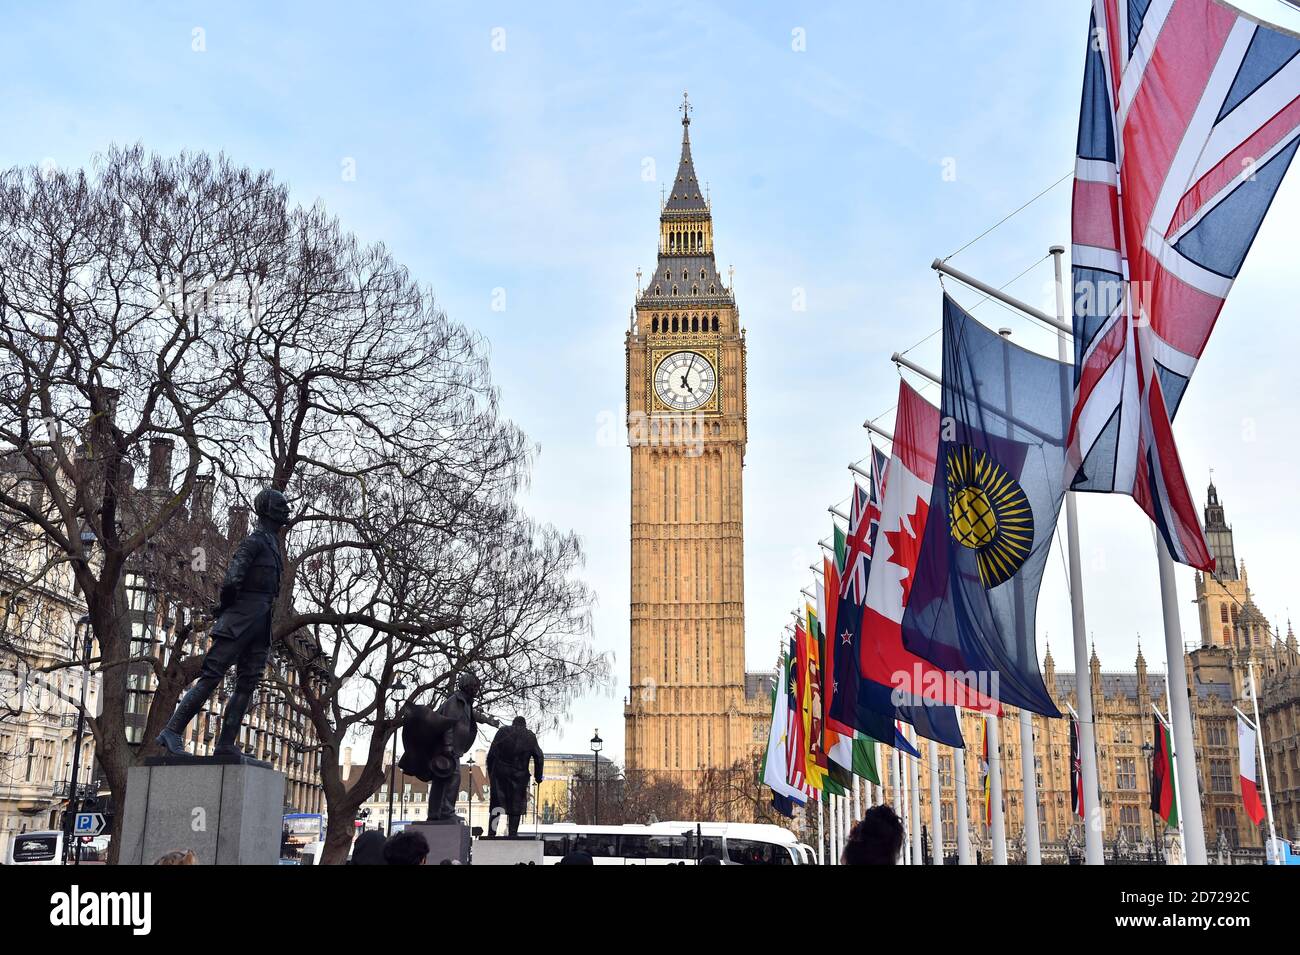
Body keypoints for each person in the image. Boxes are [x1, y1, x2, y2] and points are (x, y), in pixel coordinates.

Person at [156, 488, 290, 759]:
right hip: (239, 619)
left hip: (260, 622)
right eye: (281, 505)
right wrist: (228, 608)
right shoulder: (253, 542)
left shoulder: (273, 545)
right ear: (268, 510)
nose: (287, 510)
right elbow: (231, 581)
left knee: (247, 684)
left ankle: (226, 744)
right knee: (212, 676)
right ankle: (172, 730)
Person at [485, 716, 544, 837]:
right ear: (525, 725)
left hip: (500, 773)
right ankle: (512, 834)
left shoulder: (502, 732)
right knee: (515, 806)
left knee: (496, 806)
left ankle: (492, 833)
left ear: (513, 723)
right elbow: (539, 757)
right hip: (519, 775)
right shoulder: (530, 736)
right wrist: (538, 777)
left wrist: (491, 773)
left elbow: (491, 754)